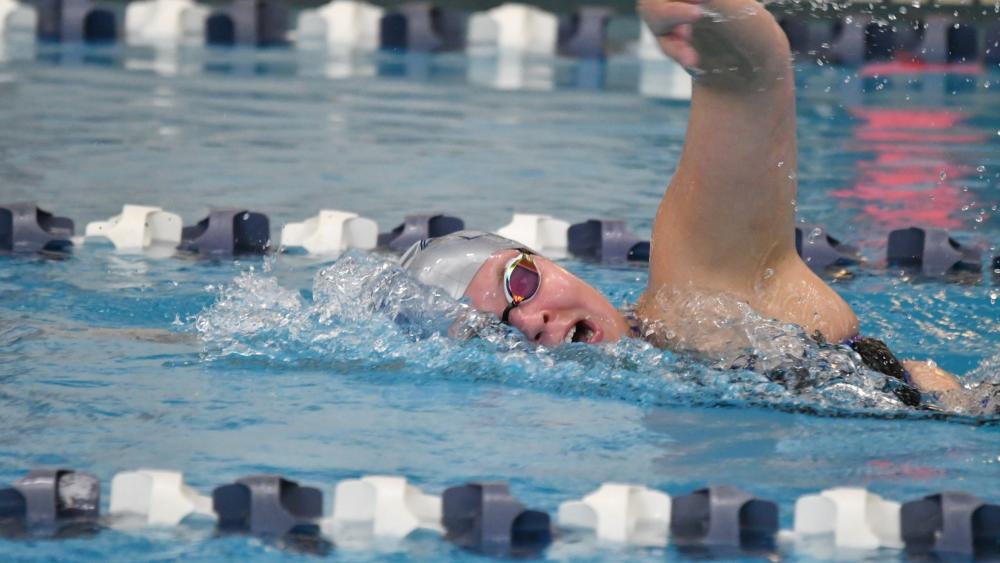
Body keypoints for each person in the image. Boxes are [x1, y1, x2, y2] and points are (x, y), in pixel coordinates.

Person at [401, 0, 968, 404]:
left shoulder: (694, 300)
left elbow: (746, 80)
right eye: (490, 333)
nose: (528, 320)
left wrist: (715, 27)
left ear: (545, 262)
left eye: (517, 284)